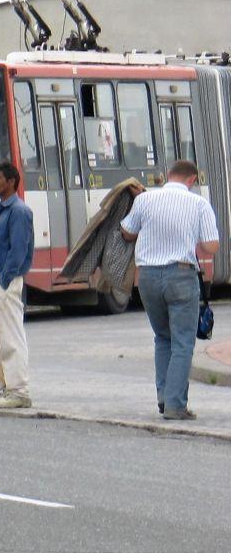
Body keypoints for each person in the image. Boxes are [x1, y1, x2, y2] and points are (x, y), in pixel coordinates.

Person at [120, 159, 220, 421]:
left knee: (162, 337)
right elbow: (211, 246)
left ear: (167, 176)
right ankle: (175, 405)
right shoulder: (198, 204)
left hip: (148, 278)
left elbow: (127, 232)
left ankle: (164, 398)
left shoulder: (144, 201)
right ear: (192, 180)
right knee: (183, 342)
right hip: (181, 275)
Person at [0, 162, 34, 409]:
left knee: (10, 337)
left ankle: (18, 390)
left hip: (5, 280)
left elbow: (19, 250)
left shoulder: (19, 211)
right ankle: (5, 388)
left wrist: (4, 279)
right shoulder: (2, 209)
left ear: (11, 181)